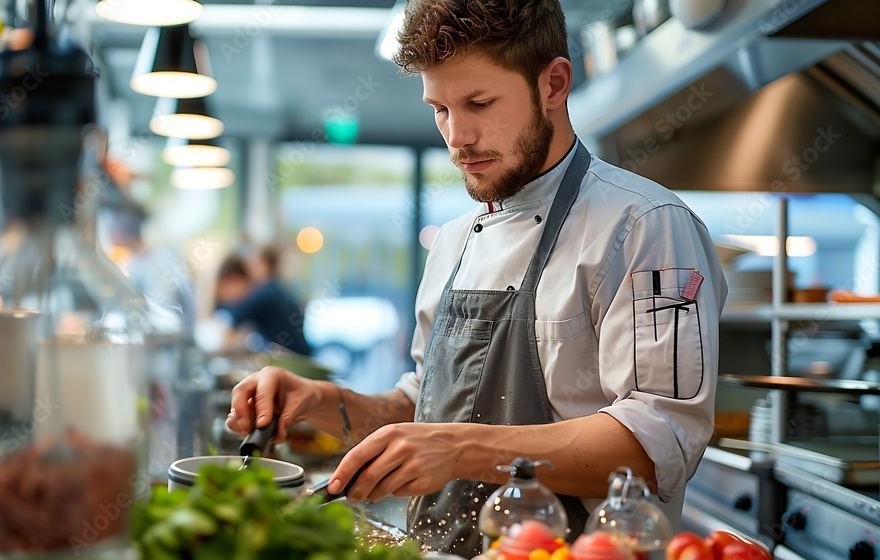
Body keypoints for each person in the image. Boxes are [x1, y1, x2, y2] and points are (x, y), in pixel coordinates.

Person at [226, 1, 727, 556]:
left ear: (554, 84)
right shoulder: (455, 242)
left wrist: (458, 448)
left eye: (480, 103)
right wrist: (323, 400)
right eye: (439, 108)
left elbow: (658, 443)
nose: (457, 136)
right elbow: (427, 411)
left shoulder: (646, 227)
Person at [214, 249, 312, 356]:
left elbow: (233, 316)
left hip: (294, 360)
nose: (248, 269)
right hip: (295, 356)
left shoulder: (267, 292)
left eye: (253, 264)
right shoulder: (274, 287)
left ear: (265, 265)